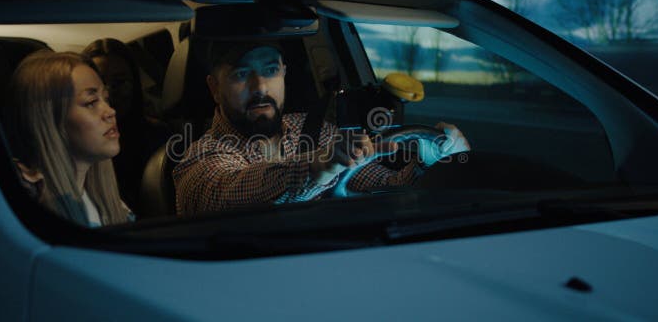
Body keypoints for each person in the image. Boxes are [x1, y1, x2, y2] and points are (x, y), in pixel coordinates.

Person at [172, 41, 469, 217]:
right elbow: (227, 193)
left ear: (284, 74)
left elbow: (386, 189)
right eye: (241, 73)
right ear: (214, 87)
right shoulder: (201, 157)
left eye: (270, 70)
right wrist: (317, 167)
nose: (260, 87)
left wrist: (432, 164)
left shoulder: (316, 131)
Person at [5, 50, 133, 226]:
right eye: (91, 102)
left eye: (106, 99)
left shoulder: (111, 204)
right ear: (49, 117)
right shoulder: (23, 195)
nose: (110, 112)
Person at [82, 38, 169, 213]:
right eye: (98, 85)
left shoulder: (163, 141)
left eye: (119, 82)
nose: (109, 93)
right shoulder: (81, 148)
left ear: (135, 85)